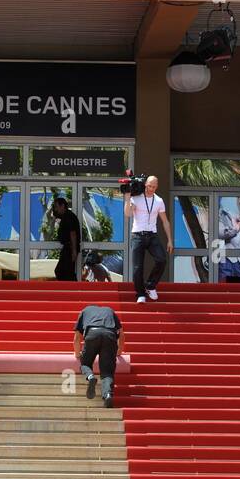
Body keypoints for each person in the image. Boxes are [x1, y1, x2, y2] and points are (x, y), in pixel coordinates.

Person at [123, 174, 173, 303]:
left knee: (161, 260)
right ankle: (140, 294)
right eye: (149, 186)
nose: (151, 189)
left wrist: (170, 240)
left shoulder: (159, 201)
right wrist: (128, 198)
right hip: (137, 235)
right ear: (145, 184)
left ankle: (150, 285)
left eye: (154, 187)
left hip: (152, 235)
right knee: (137, 268)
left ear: (157, 187)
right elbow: (128, 214)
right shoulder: (137, 198)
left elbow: (165, 221)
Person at [74, 304, 123, 408]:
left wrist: (77, 354)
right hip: (110, 335)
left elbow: (77, 337)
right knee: (107, 372)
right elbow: (121, 333)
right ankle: (108, 395)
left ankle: (90, 376)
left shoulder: (85, 311)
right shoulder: (110, 311)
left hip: (92, 333)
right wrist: (119, 351)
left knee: (86, 364)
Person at [52, 197, 81, 281]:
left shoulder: (68, 217)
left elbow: (73, 234)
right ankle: (72, 290)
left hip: (69, 248)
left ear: (63, 205)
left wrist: (74, 251)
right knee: (66, 272)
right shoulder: (65, 216)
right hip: (68, 247)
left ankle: (73, 290)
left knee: (61, 271)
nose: (56, 209)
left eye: (57, 207)